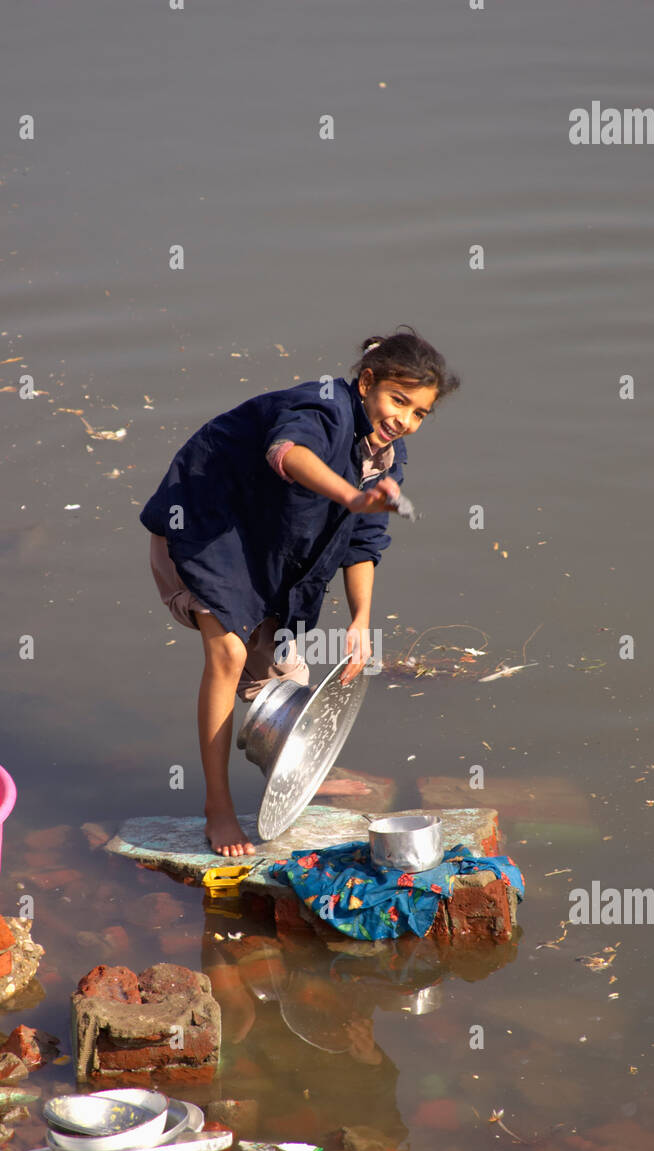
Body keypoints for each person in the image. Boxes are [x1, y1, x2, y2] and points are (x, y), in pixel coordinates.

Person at [141, 326, 460, 856]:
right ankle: (217, 808)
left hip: (266, 546)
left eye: (419, 413)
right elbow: (286, 454)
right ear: (366, 383)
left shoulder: (386, 458)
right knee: (229, 653)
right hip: (203, 526)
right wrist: (350, 495)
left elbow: (363, 542)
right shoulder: (324, 407)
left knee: (284, 681)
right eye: (397, 400)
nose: (403, 419)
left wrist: (361, 622)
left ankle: (293, 774)